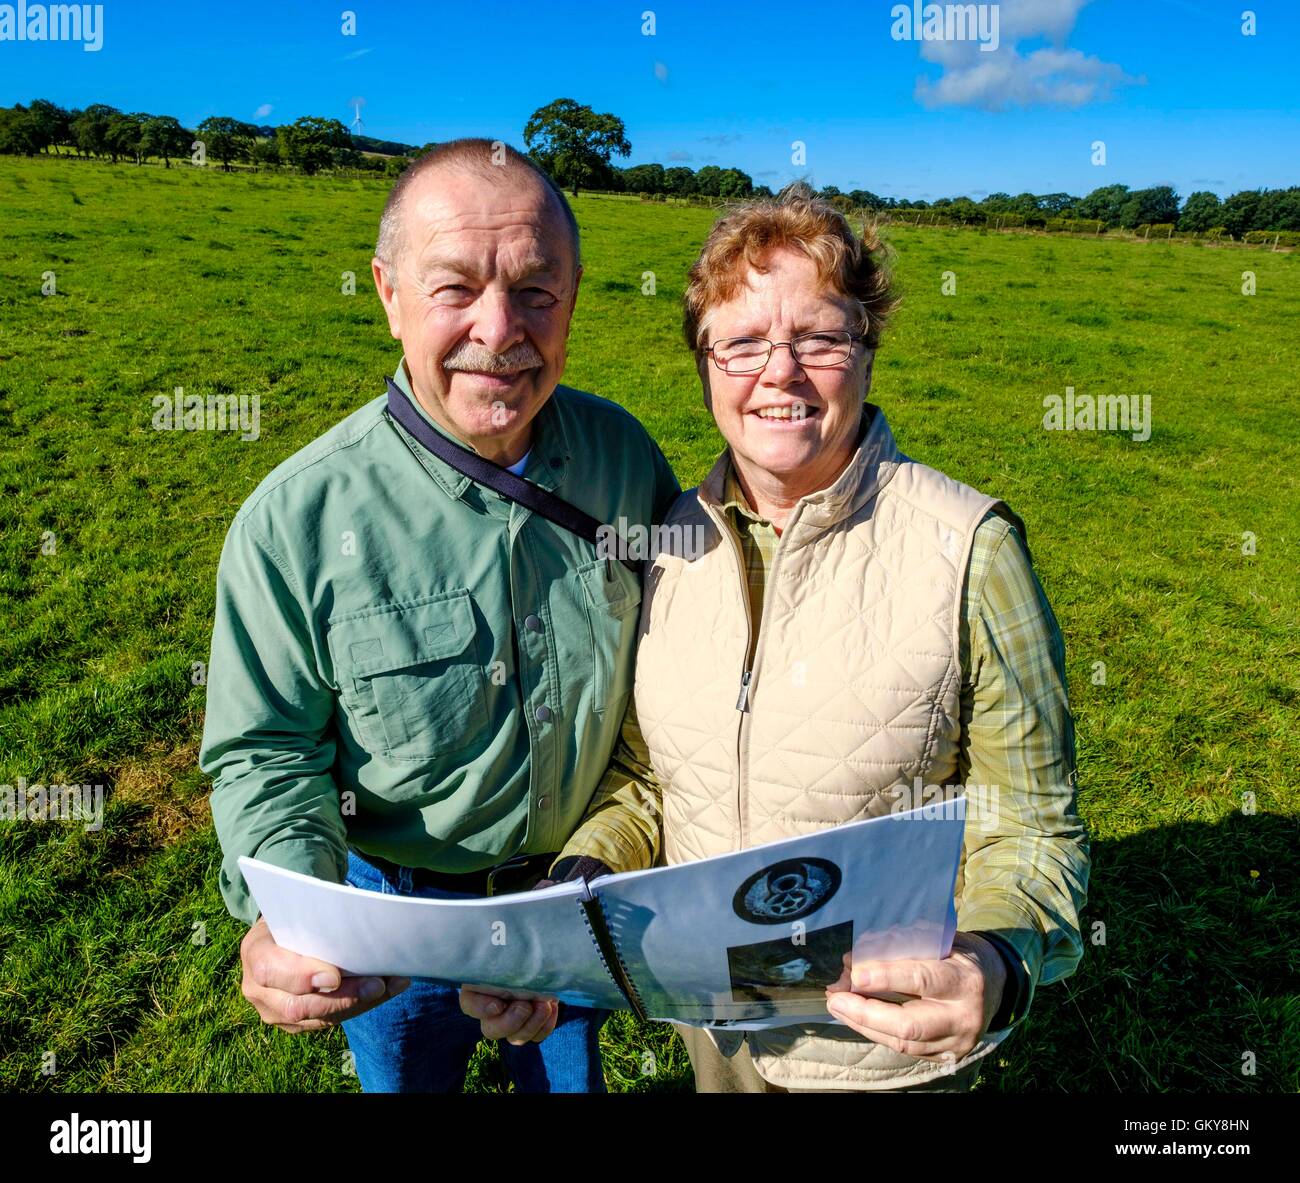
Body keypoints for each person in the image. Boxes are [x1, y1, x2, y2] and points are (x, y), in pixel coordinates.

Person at [467, 182, 1090, 1093]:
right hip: (715, 1027)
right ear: (706, 364)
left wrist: (993, 964)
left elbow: (1031, 822)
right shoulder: (670, 540)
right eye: (744, 342)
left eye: (821, 338)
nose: (780, 372)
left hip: (884, 1054)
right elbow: (648, 777)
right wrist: (573, 900)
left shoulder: (973, 552)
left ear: (867, 350)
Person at [199, 138, 680, 1093]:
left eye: (536, 290)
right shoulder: (295, 519)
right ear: (387, 294)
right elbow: (267, 750)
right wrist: (302, 915)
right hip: (394, 915)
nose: (499, 329)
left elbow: (672, 681)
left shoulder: (624, 459)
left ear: (575, 296)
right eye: (454, 287)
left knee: (567, 1081)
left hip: (573, 895)